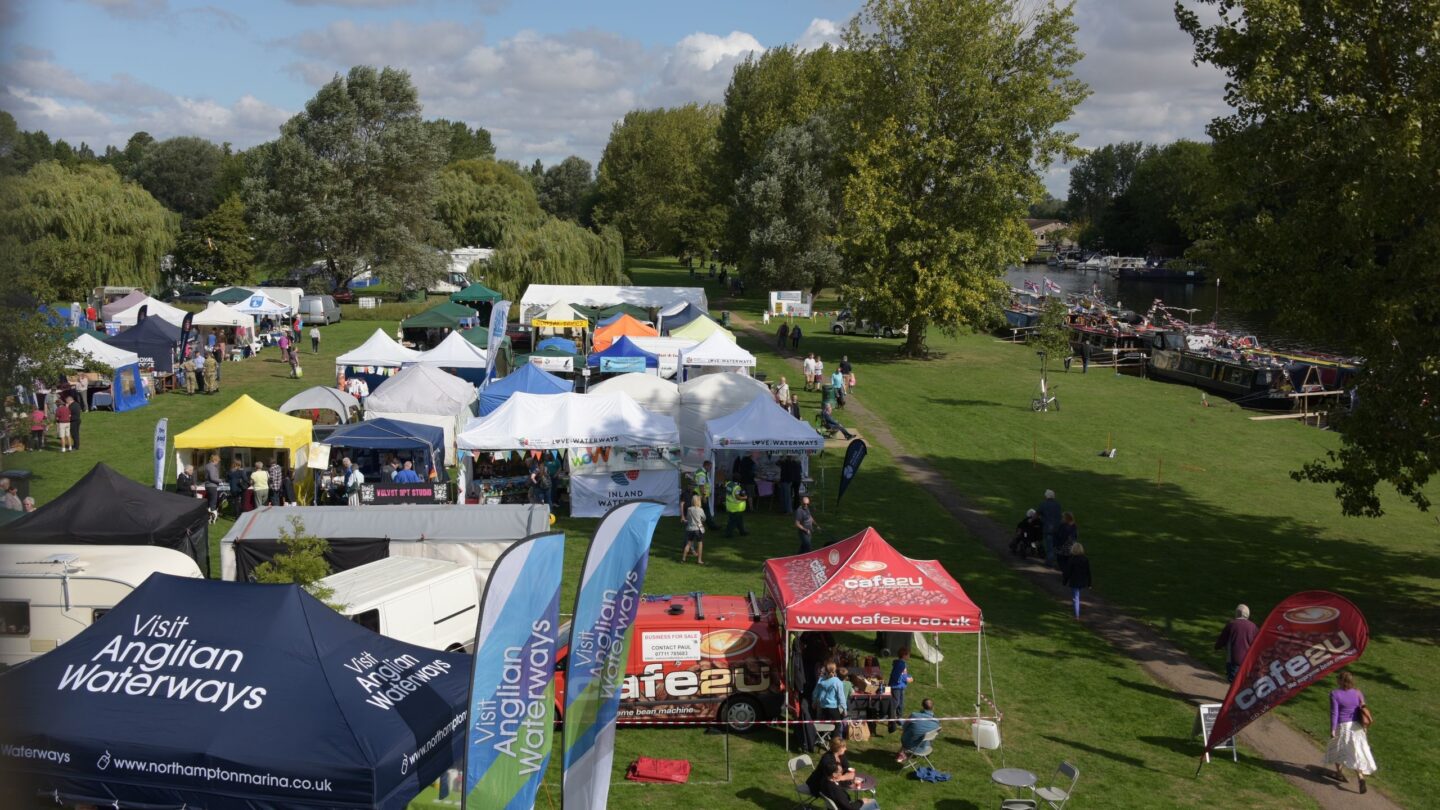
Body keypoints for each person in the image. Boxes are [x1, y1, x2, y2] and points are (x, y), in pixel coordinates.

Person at [1324, 670, 1376, 793]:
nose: (1337, 680)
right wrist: (1364, 727)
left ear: (1341, 681)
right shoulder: (1358, 693)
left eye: (1338, 678)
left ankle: (1339, 773)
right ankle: (1360, 777)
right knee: (1356, 752)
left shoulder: (1335, 694)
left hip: (1343, 726)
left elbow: (1334, 713)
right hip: (1357, 727)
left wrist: (1332, 729)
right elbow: (1362, 709)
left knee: (1337, 750)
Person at [806, 738, 876, 810]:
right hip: (818, 784)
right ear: (838, 748)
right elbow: (849, 808)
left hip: (831, 784)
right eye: (844, 747)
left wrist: (845, 776)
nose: (846, 749)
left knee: (843, 795)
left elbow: (848, 769)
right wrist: (862, 801)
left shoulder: (840, 755)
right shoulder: (827, 759)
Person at [1215, 604, 1259, 682]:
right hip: (1247, 661)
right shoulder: (1253, 627)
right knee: (1243, 683)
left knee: (1233, 681)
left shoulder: (1232, 624)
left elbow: (1222, 639)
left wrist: (1217, 646)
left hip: (1234, 659)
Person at [896, 698, 941, 763]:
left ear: (922, 706)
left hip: (910, 744)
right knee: (915, 733)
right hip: (925, 747)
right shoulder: (936, 722)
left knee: (909, 734)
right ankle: (901, 754)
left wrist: (900, 720)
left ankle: (901, 754)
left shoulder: (914, 715)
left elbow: (904, 727)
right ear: (933, 707)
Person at [812, 662, 849, 741]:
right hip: (833, 708)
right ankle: (834, 743)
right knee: (838, 724)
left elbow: (815, 693)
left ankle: (822, 739)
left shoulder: (821, 679)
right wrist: (844, 709)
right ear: (834, 670)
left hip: (823, 707)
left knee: (824, 724)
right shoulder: (837, 682)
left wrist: (814, 702)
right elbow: (841, 697)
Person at [887, 648, 914, 733]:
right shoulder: (901, 664)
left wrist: (908, 676)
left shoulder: (902, 663)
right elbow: (897, 675)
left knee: (900, 703)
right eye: (908, 654)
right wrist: (907, 679)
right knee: (896, 702)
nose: (909, 656)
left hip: (900, 686)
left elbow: (904, 673)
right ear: (904, 655)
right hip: (896, 686)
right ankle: (891, 717)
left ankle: (899, 718)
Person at [1062, 542, 1092, 618]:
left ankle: (1077, 615)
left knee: (1076, 597)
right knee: (1077, 596)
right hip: (1082, 581)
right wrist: (1089, 583)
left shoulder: (1072, 560)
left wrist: (1065, 581)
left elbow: (1068, 572)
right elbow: (1088, 572)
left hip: (1075, 581)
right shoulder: (1085, 559)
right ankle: (1077, 613)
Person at [1036, 489, 1063, 567]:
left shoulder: (1043, 504)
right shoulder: (1058, 504)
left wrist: (1032, 519)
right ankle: (1057, 561)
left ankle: (1049, 562)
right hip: (1057, 528)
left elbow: (1037, 514)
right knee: (1056, 545)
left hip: (1048, 528)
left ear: (1046, 496)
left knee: (1049, 546)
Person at [682, 494, 706, 565]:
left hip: (690, 529)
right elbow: (704, 518)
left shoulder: (689, 509)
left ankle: (683, 559)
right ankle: (699, 560)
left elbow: (688, 519)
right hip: (698, 529)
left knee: (688, 544)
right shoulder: (700, 510)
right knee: (700, 544)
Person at [694, 460, 714, 527]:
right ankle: (711, 525)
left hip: (699, 494)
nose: (710, 469)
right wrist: (704, 496)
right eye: (710, 467)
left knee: (700, 510)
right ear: (706, 466)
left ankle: (699, 524)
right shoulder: (702, 474)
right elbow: (701, 486)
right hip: (701, 495)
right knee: (706, 510)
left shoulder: (701, 471)